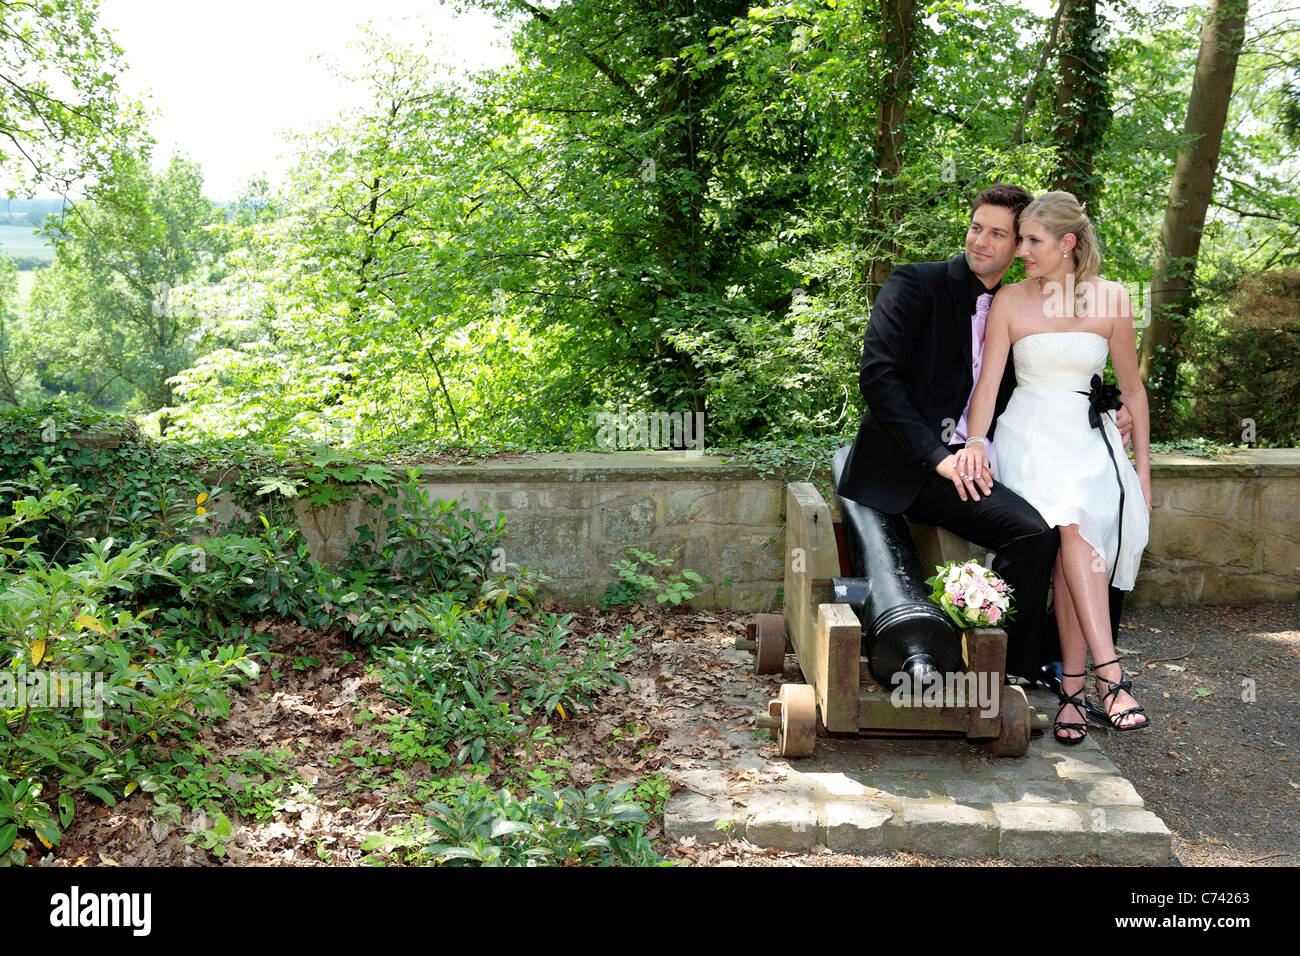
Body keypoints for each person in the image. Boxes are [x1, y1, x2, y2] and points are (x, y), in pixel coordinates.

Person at [837, 183, 1131, 685]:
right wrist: (939, 457)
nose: (980, 241)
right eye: (977, 227)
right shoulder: (915, 284)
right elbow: (878, 379)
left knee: (1095, 515)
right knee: (1031, 532)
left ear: (1021, 244)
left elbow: (1057, 376)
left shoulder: (1023, 303)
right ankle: (1012, 668)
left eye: (999, 234)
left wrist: (1112, 408)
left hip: (1001, 454)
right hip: (914, 464)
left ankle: (1062, 659)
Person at [957, 191, 1152, 744]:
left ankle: (1072, 689)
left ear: (1067, 244)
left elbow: (1133, 392)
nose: (1020, 251)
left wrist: (1142, 474)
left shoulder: (1114, 300)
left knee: (1078, 536)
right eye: (1018, 239)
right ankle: (1110, 674)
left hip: (1089, 441)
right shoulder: (1010, 302)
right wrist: (975, 440)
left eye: (1031, 241)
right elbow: (989, 383)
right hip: (1030, 436)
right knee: (1071, 519)